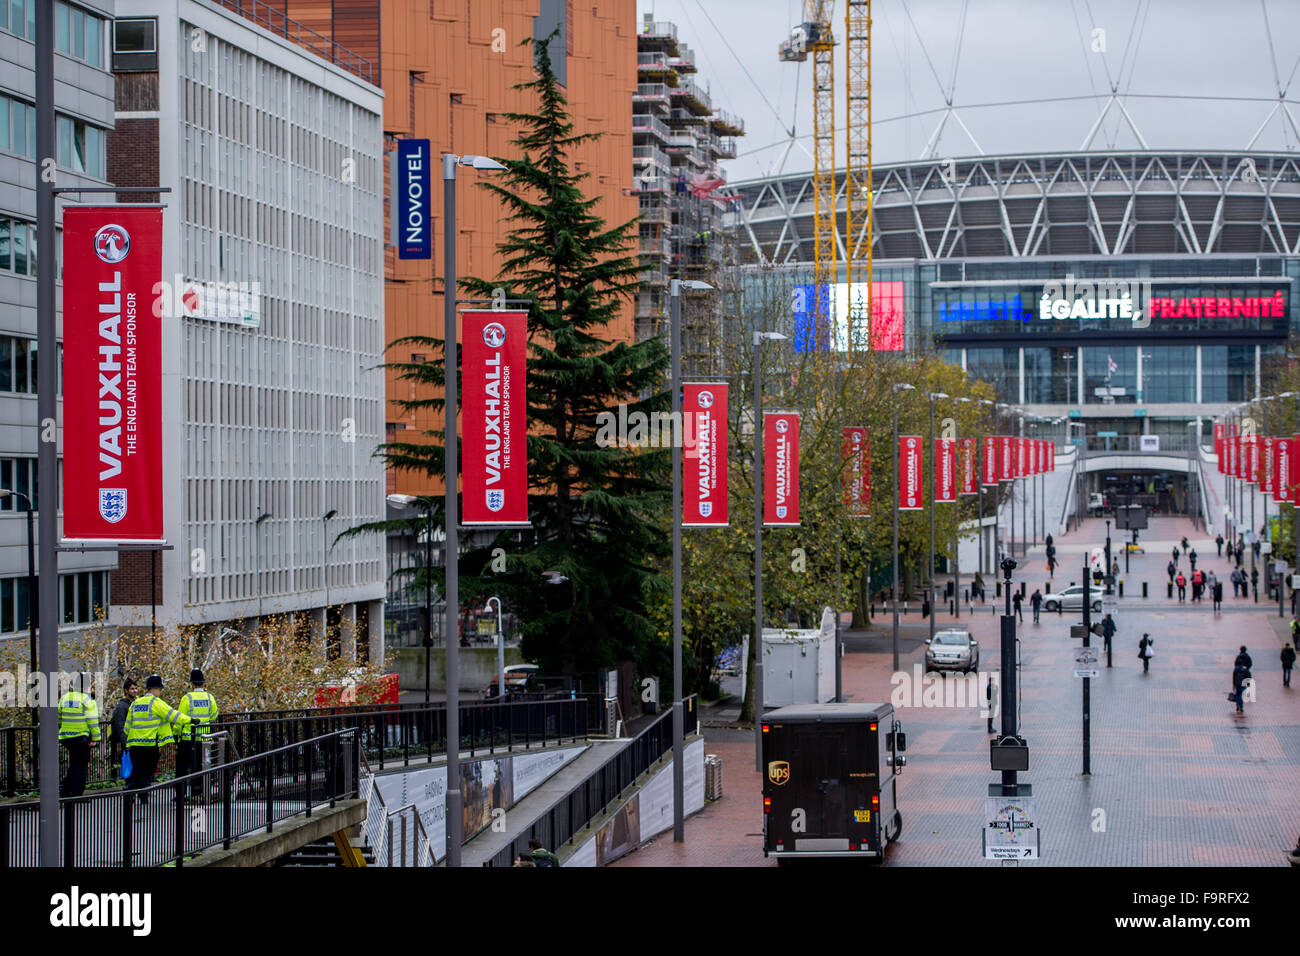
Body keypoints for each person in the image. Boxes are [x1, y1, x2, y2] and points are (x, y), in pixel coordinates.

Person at [124, 674, 193, 806]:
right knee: (148, 770)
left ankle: (136, 793)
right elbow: (173, 715)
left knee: (139, 770)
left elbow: (127, 727)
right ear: (154, 689)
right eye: (160, 689)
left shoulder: (135, 703)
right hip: (149, 744)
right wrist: (190, 720)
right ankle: (138, 793)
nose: (161, 692)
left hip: (134, 744)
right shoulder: (155, 703)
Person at [176, 668, 220, 799]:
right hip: (204, 738)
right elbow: (214, 715)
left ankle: (180, 794)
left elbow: (179, 718)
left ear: (192, 683)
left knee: (182, 768)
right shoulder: (209, 697)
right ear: (203, 683)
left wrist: (176, 735)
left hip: (187, 737)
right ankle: (198, 791)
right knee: (201, 766)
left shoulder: (187, 698)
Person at [57, 679, 100, 798]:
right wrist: (95, 738)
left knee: (73, 765)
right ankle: (77, 795)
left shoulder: (65, 698)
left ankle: (65, 791)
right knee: (81, 767)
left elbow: (59, 716)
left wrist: (62, 728)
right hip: (81, 738)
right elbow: (93, 722)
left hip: (66, 736)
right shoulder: (87, 700)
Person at [108, 677, 138, 775]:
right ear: (126, 690)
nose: (135, 691)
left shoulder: (134, 704)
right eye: (132, 689)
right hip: (126, 741)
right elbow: (120, 725)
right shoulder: (122, 706)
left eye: (136, 688)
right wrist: (125, 742)